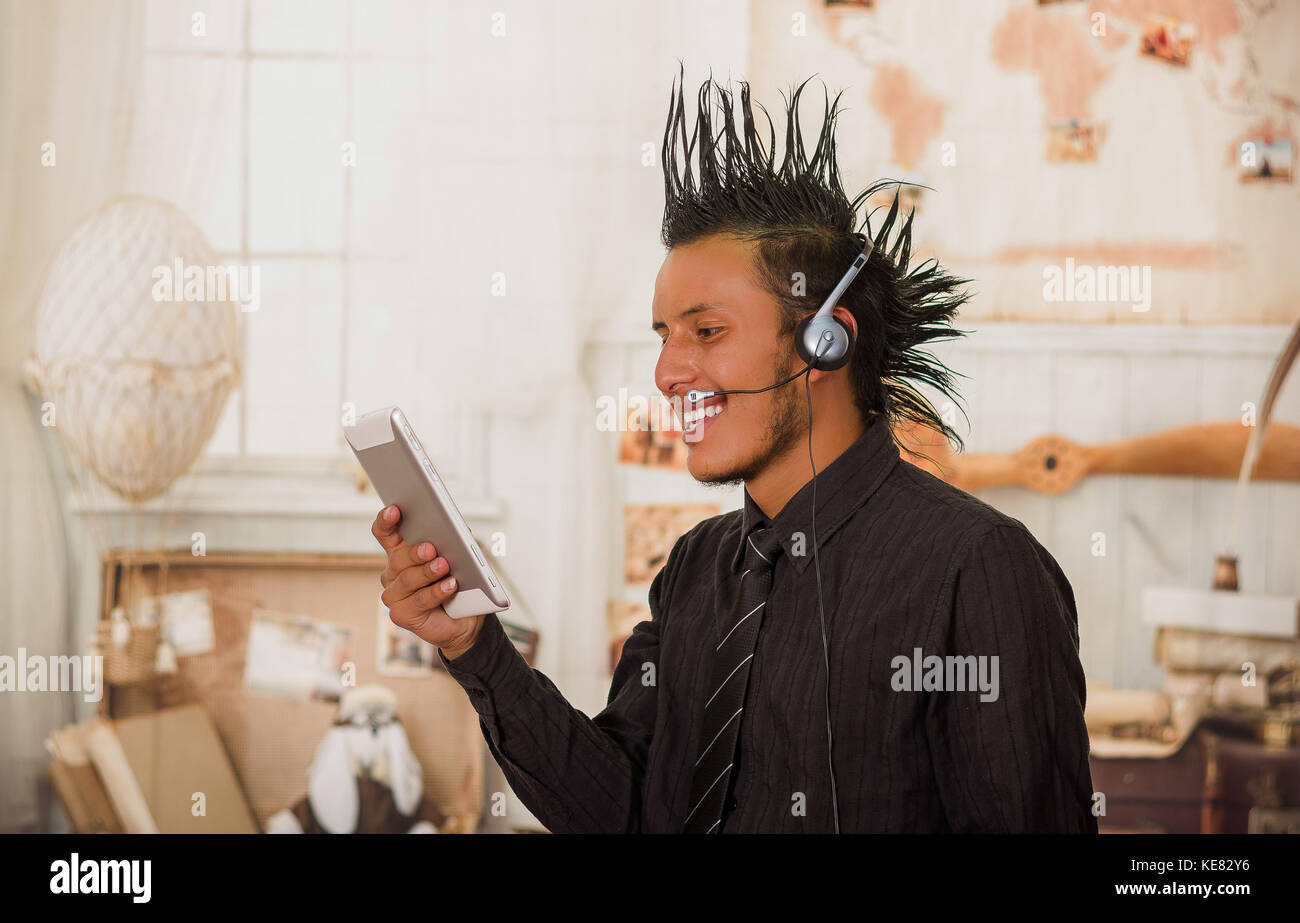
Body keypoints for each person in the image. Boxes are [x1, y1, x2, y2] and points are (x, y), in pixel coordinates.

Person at [371, 71, 1097, 833]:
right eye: (664, 336)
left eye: (707, 331)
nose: (667, 371)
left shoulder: (977, 567)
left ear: (826, 340)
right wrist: (474, 644)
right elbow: (620, 810)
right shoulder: (697, 567)